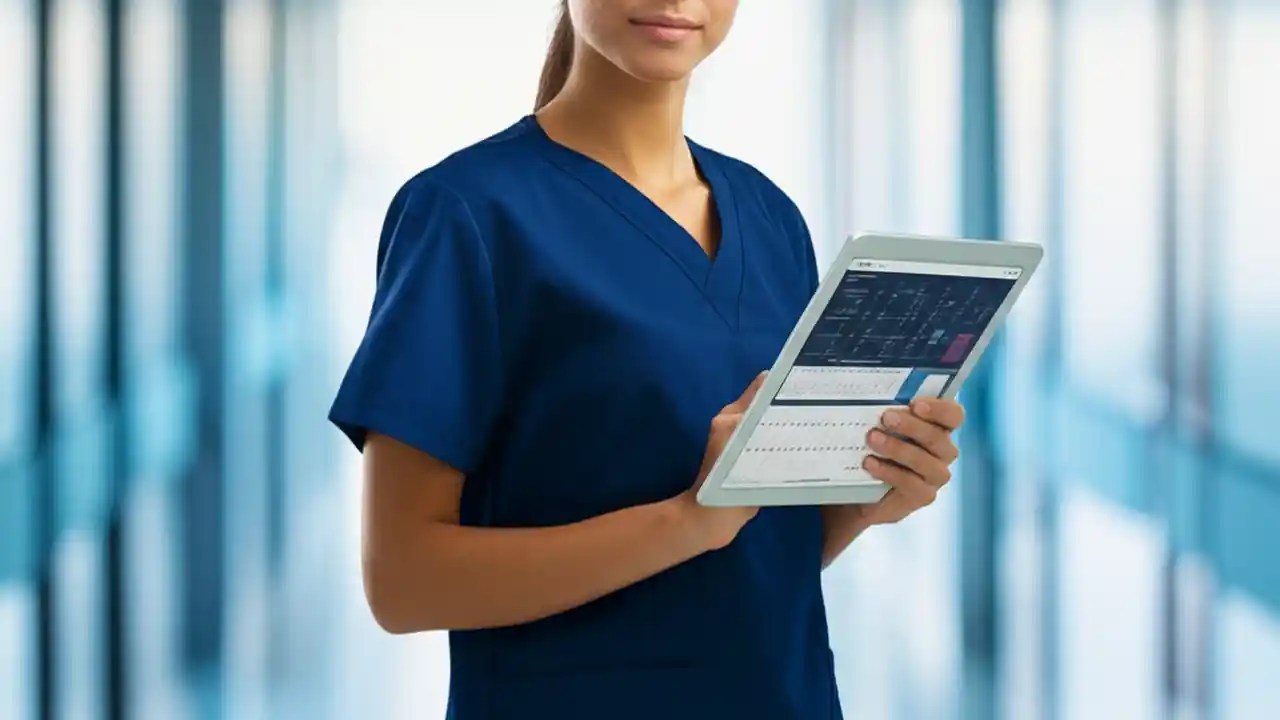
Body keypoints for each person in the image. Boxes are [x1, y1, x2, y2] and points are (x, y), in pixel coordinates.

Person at [328, 1, 966, 717]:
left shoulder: (771, 217)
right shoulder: (466, 213)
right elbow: (404, 582)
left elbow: (753, 556)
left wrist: (862, 501)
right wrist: (685, 519)